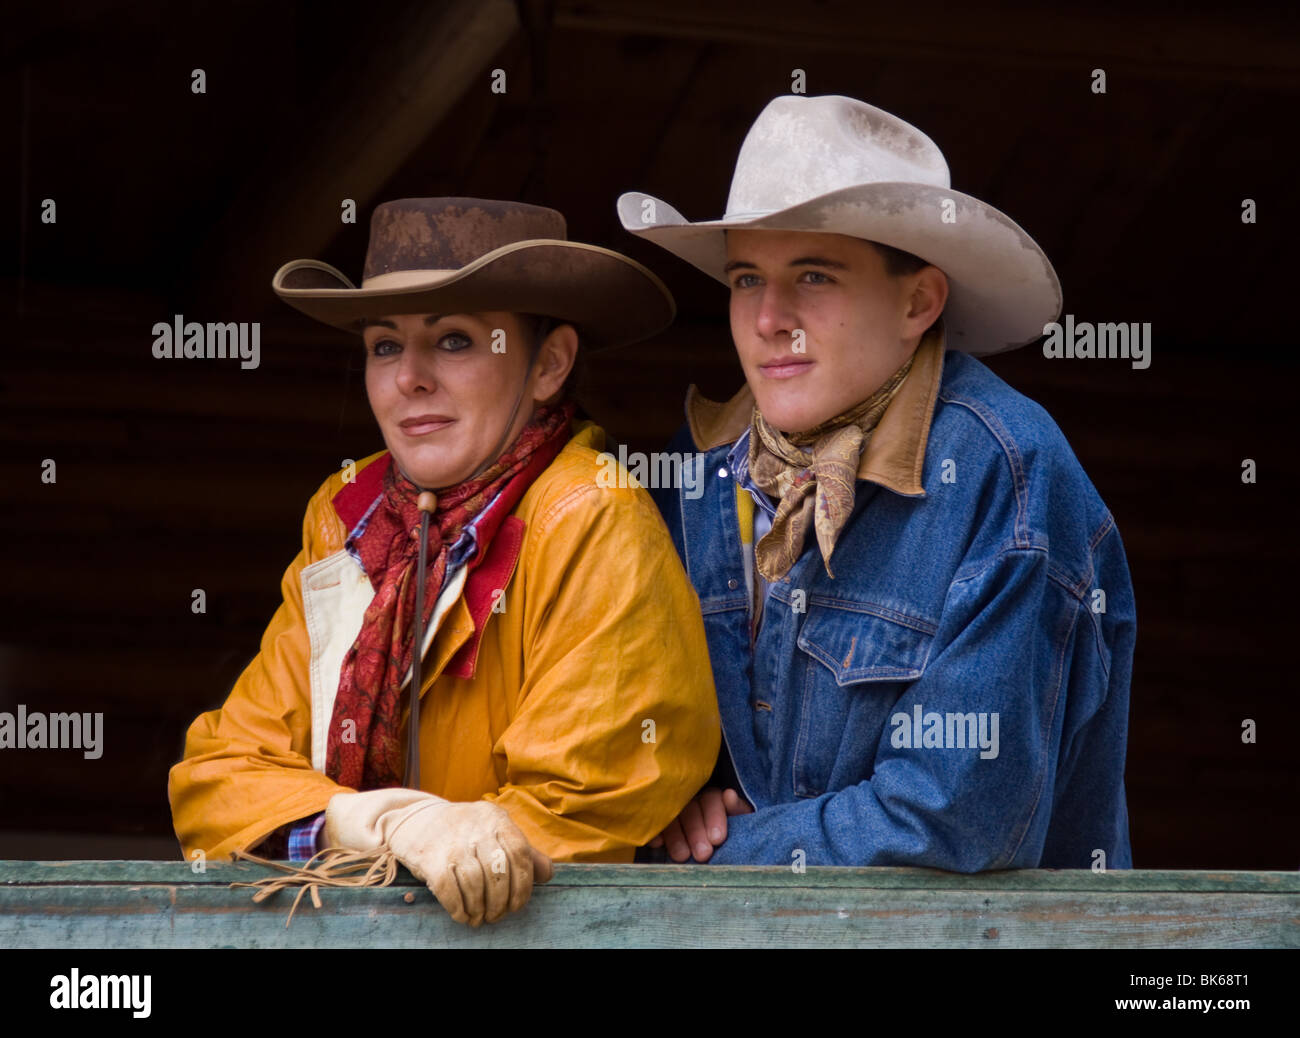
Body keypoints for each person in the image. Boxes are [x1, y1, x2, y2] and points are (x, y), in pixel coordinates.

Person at [169, 197, 721, 925]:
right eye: (384, 346)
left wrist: (374, 840)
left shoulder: (593, 516)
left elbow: (579, 810)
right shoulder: (344, 516)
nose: (410, 378)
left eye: (454, 340)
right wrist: (395, 825)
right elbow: (218, 780)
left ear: (550, 364)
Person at [618, 96, 1135, 870]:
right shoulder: (698, 469)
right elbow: (635, 740)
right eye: (747, 278)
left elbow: (950, 821)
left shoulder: (1004, 471)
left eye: (814, 276)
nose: (768, 319)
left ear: (918, 302)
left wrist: (711, 858)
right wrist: (668, 797)